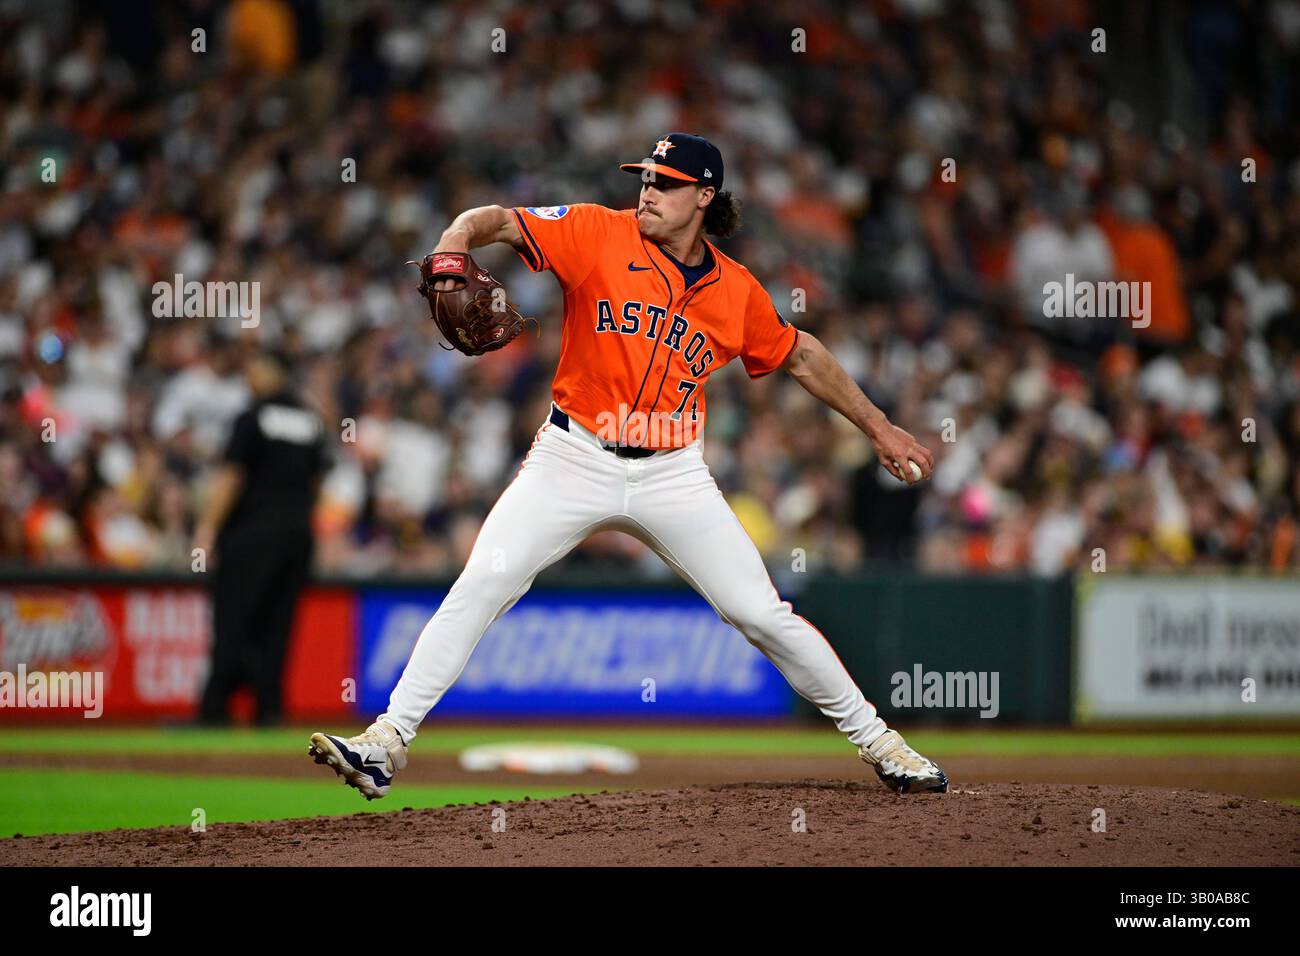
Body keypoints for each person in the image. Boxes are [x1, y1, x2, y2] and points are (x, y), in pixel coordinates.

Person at [309, 133, 948, 796]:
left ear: (703, 197)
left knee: (760, 614)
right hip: (573, 454)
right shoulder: (594, 231)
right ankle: (385, 741)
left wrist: (880, 427)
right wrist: (452, 242)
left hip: (672, 471)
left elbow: (802, 355)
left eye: (666, 183)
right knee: (485, 580)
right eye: (645, 178)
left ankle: (883, 743)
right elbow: (494, 220)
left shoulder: (736, 291)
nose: (648, 190)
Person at [196, 349, 327, 726]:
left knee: (233, 618)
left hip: (251, 534)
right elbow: (317, 483)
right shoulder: (310, 421)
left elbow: (231, 478)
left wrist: (207, 528)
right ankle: (268, 707)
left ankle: (215, 708)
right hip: (297, 536)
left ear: (274, 372)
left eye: (256, 367)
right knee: (278, 622)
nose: (249, 375)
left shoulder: (252, 417)